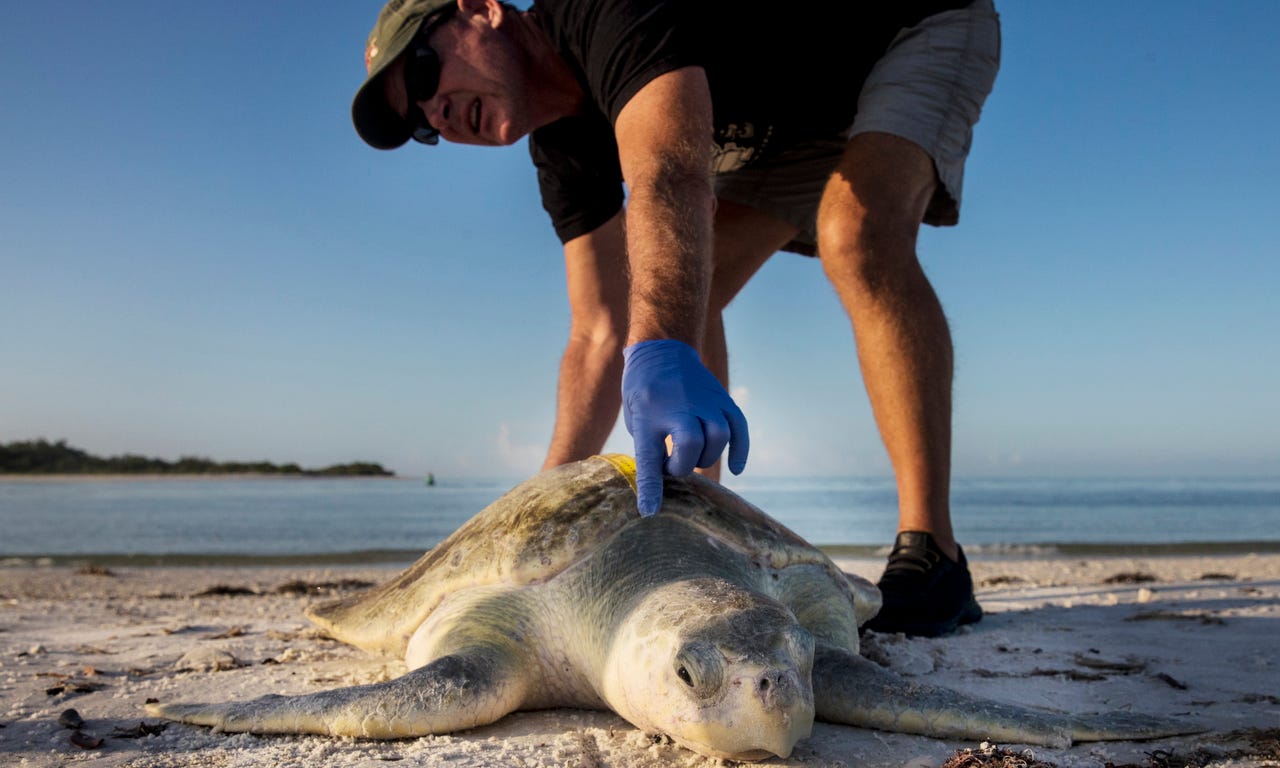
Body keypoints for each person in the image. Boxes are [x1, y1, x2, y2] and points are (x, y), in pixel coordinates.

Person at [351, 0, 1000, 636]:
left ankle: (933, 552)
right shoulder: (561, 148)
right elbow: (597, 330)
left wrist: (661, 349)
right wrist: (535, 523)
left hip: (908, 26)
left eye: (425, 74)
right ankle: (696, 540)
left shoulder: (603, 12)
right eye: (421, 125)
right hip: (797, 120)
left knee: (856, 236)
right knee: (690, 282)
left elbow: (670, 176)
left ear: (480, 10)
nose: (435, 112)